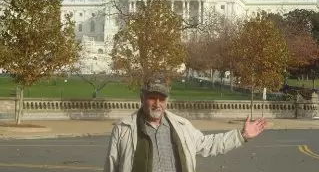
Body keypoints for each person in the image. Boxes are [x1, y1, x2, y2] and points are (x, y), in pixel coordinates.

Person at [104, 76, 266, 172]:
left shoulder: (181, 126)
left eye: (162, 99)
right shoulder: (124, 128)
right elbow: (111, 166)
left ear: (167, 101)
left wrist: (242, 135)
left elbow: (207, 144)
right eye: (152, 97)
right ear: (142, 98)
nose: (157, 104)